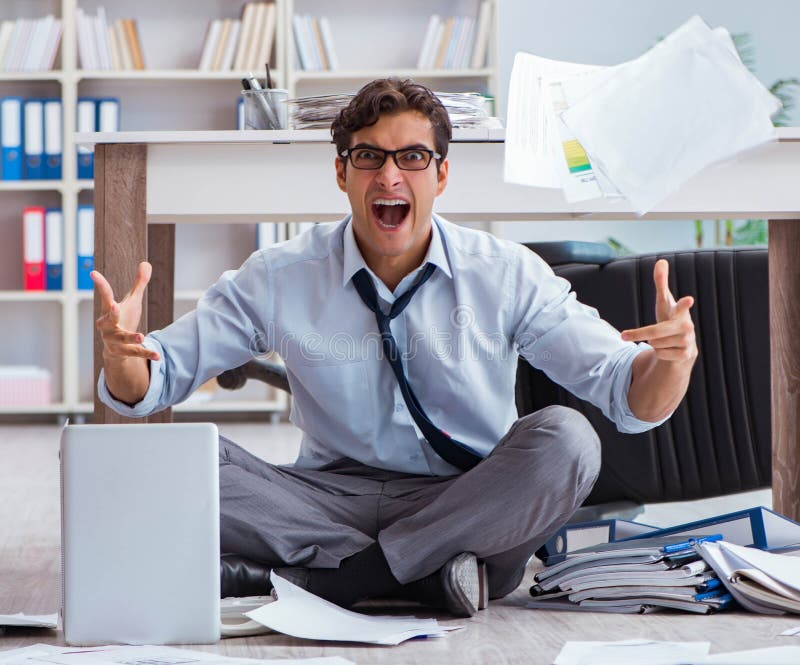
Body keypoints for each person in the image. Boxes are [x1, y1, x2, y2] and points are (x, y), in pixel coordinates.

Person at [93, 78, 698, 617]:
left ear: (440, 174)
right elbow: (155, 381)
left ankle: (342, 581)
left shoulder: (506, 272)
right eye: (369, 158)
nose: (389, 176)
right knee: (176, 457)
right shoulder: (282, 274)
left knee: (569, 439)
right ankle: (429, 577)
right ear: (341, 173)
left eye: (411, 157)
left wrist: (671, 364)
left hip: (466, 498)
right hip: (327, 502)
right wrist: (125, 361)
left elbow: (627, 395)